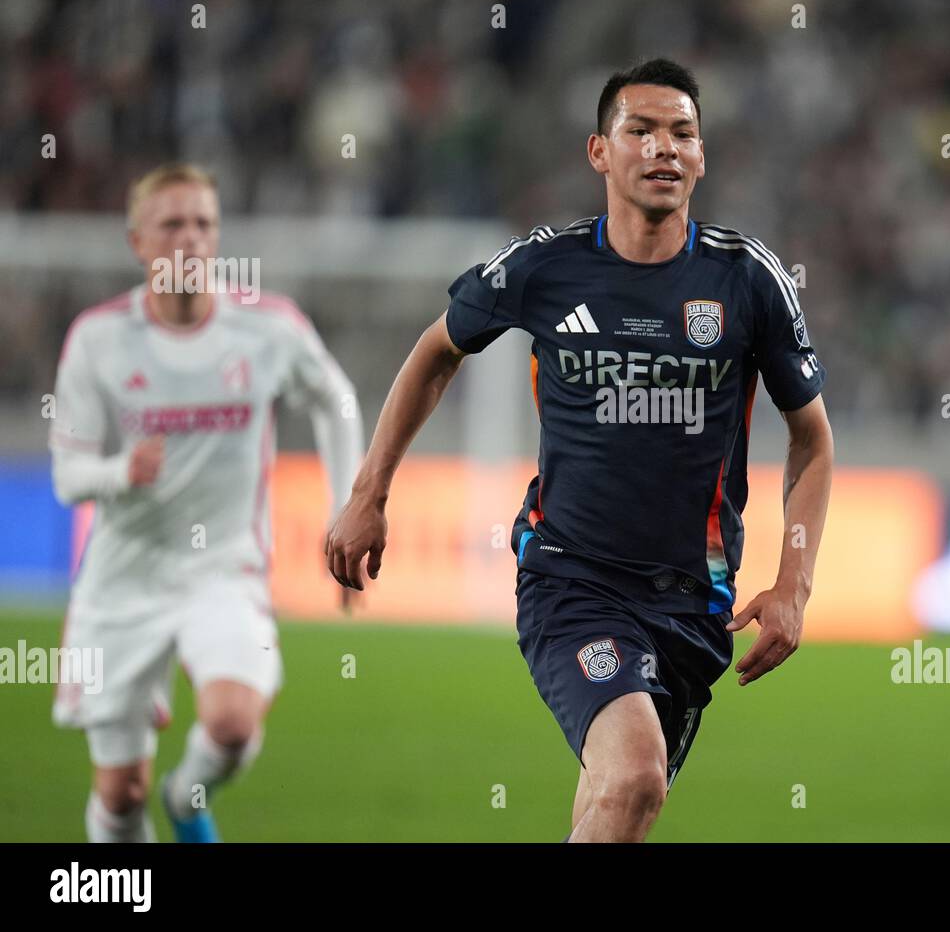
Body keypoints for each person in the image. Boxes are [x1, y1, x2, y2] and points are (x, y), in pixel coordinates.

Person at [325, 58, 834, 842]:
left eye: (683, 133)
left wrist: (794, 582)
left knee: (616, 805)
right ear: (600, 152)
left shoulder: (748, 280)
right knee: (633, 775)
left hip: (694, 605)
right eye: (642, 130)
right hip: (573, 581)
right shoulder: (546, 266)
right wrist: (370, 492)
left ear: (702, 157)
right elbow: (437, 351)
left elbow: (811, 441)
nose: (665, 148)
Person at [50, 163, 363, 842]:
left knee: (231, 723)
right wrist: (116, 471)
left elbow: (336, 401)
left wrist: (348, 511)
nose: (189, 238)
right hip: (122, 581)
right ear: (138, 242)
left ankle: (188, 799)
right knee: (120, 792)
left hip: (225, 569)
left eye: (203, 223)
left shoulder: (268, 328)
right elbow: (67, 475)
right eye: (171, 224)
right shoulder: (98, 339)